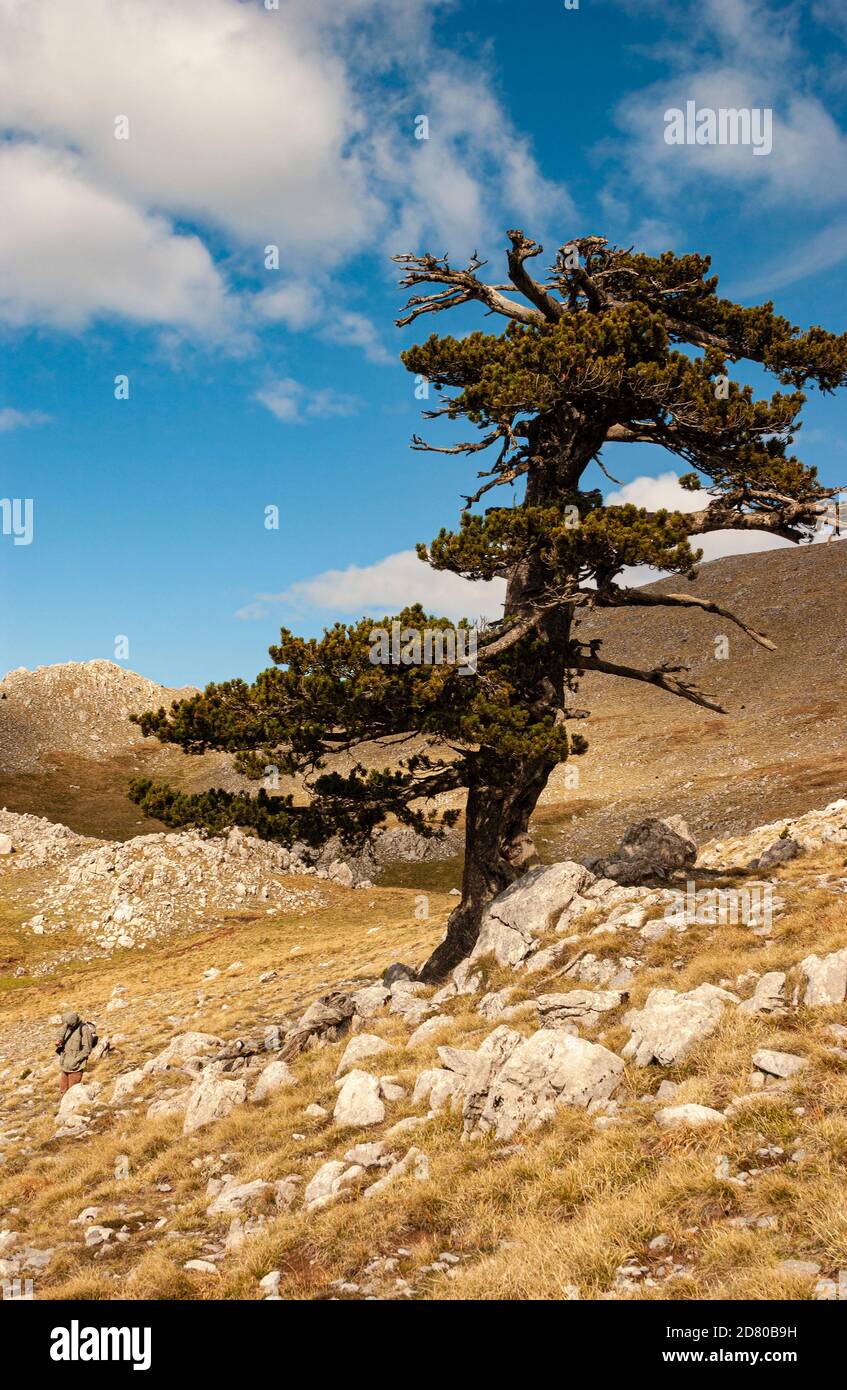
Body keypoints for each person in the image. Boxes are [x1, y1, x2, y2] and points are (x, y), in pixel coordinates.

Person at [56, 1011, 95, 1096]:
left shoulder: (84, 1030)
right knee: (63, 1091)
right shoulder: (67, 1026)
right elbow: (59, 1034)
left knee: (72, 1093)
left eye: (68, 1023)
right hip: (65, 1064)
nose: (66, 1025)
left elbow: (87, 1049)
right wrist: (59, 1040)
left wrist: (76, 1061)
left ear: (73, 1022)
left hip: (76, 1068)